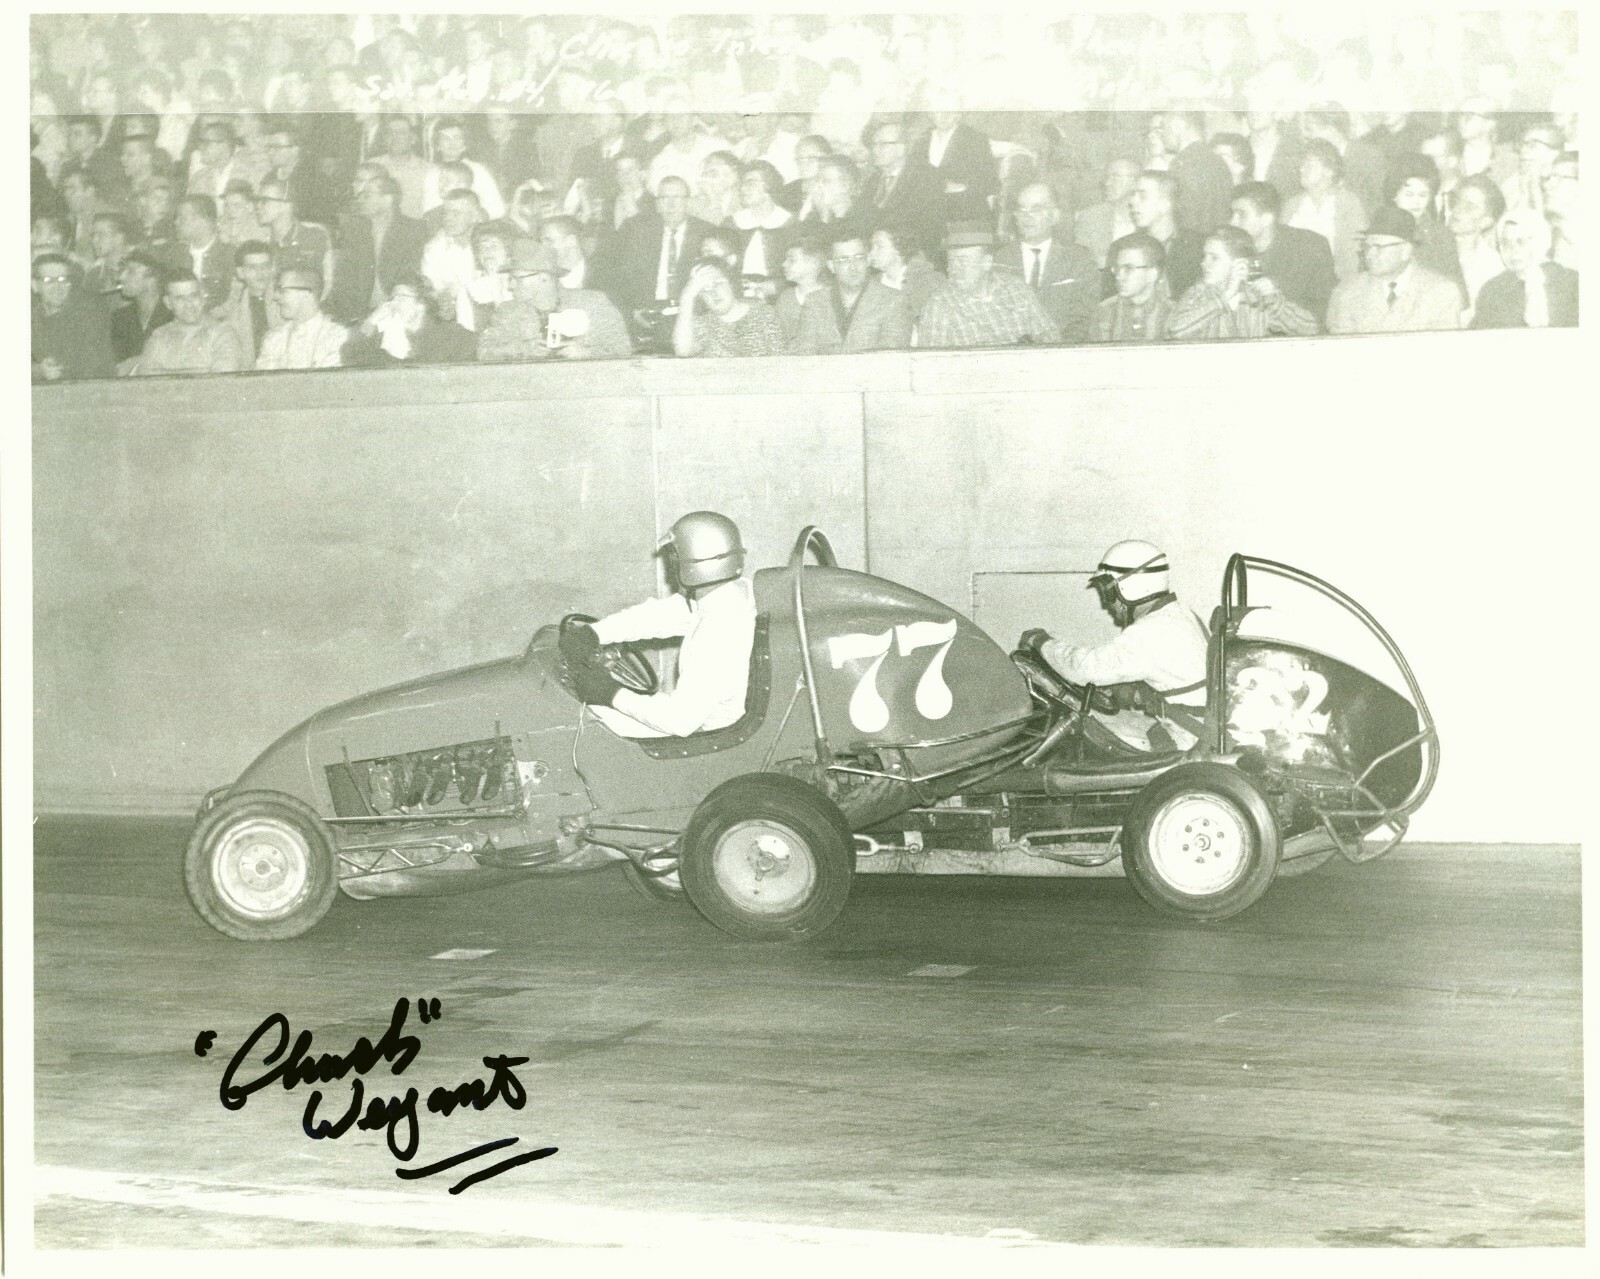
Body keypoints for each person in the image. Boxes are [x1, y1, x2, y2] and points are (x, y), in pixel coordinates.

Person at [568, 511, 759, 739]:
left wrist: (611, 694)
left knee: (579, 721)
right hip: (703, 720)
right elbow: (667, 614)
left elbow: (680, 721)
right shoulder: (734, 594)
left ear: (690, 561)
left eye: (674, 558)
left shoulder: (714, 631)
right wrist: (596, 633)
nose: (671, 565)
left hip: (703, 734)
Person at [1021, 540, 1209, 753]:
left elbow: (1084, 669)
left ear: (1127, 586)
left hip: (1186, 737)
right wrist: (1135, 692)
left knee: (1081, 740)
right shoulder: (1180, 614)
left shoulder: (1151, 630)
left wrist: (1042, 642)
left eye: (1107, 592)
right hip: (1195, 726)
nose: (1106, 604)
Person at [477, 238, 632, 363]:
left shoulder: (593, 303)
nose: (510, 286)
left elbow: (623, 347)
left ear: (543, 278)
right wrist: (522, 350)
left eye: (516, 279)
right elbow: (483, 352)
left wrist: (588, 353)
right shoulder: (507, 312)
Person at [917, 221, 1058, 349]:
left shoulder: (1017, 290)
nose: (954, 269)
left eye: (962, 261)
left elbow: (1051, 338)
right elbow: (930, 364)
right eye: (951, 262)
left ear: (986, 262)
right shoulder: (940, 305)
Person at [1325, 207, 1465, 335]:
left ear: (1405, 251)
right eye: (1367, 246)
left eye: (1379, 247)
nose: (1369, 254)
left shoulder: (1442, 292)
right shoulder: (1347, 292)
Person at [1166, 225, 1319, 341]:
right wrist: (1224, 299)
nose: (1203, 263)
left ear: (1239, 264)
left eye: (1214, 258)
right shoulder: (1198, 293)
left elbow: (1310, 328)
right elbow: (1174, 332)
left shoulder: (1256, 298)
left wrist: (1274, 300)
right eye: (1204, 256)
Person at [993, 182, 1100, 343]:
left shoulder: (1078, 259)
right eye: (1021, 209)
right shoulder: (999, 259)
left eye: (1036, 209)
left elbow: (1084, 317)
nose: (1027, 216)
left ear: (1055, 216)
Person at [1228, 182, 1336, 324]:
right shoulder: (1229, 248)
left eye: (1241, 215)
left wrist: (1277, 292)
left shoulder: (1309, 247)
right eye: (1232, 214)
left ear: (1267, 219)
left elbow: (1321, 312)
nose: (1232, 222)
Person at [1471, 210, 1579, 329]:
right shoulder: (1492, 290)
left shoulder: (1572, 283)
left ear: (1541, 242)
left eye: (1521, 241)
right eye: (1505, 243)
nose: (1513, 250)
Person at [126, 268, 244, 375]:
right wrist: (204, 371)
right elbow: (146, 377)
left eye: (193, 296)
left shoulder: (224, 333)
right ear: (168, 303)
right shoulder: (159, 336)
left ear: (203, 297)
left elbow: (222, 379)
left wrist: (163, 373)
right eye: (180, 298)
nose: (189, 304)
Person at [1282, 140, 1369, 282]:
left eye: (1309, 165)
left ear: (1329, 171)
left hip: (1335, 283)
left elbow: (1353, 259)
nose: (1302, 169)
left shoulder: (1348, 204)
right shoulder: (1292, 205)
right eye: (1302, 165)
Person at [672, 256, 783, 358]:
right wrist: (687, 297)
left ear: (731, 282)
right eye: (704, 289)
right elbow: (683, 350)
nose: (713, 293)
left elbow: (779, 360)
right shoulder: (703, 324)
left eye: (717, 283)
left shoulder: (763, 314)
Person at [32, 251, 114, 382]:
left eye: (63, 279)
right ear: (35, 286)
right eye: (48, 280)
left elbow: (94, 369)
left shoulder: (87, 316)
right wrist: (37, 371)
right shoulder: (31, 318)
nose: (58, 287)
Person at [827, 231, 911, 352]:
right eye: (844, 259)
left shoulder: (894, 300)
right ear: (831, 266)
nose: (853, 267)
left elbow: (893, 357)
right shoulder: (815, 302)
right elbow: (802, 353)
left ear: (868, 260)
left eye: (859, 258)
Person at [256, 266, 348, 370]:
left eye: (282, 291)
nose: (275, 296)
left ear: (305, 294)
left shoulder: (337, 337)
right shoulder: (274, 338)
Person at [212, 239, 282, 369]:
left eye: (265, 266)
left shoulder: (283, 301)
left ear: (272, 268)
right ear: (241, 272)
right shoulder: (234, 309)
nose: (260, 273)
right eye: (252, 268)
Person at [1093, 233, 1172, 343]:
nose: (1119, 276)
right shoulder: (1104, 312)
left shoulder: (1172, 313)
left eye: (1128, 268)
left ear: (1152, 273)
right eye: (1117, 268)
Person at [774, 238, 842, 355]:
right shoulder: (786, 298)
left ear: (813, 264)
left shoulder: (833, 297)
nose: (784, 264)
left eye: (791, 260)